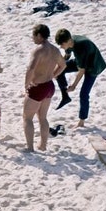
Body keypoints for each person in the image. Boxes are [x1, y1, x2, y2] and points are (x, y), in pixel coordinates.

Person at [23, 24, 67, 152]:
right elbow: (63, 65)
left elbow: (30, 69)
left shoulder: (38, 50)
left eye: (33, 35)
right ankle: (43, 145)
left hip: (38, 87)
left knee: (27, 117)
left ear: (39, 35)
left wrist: (26, 85)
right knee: (43, 117)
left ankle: (30, 147)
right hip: (49, 86)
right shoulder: (54, 50)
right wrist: (53, 75)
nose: (32, 38)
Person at [55, 29, 106, 128]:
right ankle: (65, 96)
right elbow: (67, 55)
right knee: (60, 70)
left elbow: (81, 71)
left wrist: (74, 86)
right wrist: (59, 66)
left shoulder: (80, 48)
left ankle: (81, 121)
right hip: (82, 61)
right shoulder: (70, 42)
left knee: (83, 94)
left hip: (94, 66)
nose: (60, 47)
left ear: (68, 41)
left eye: (61, 44)